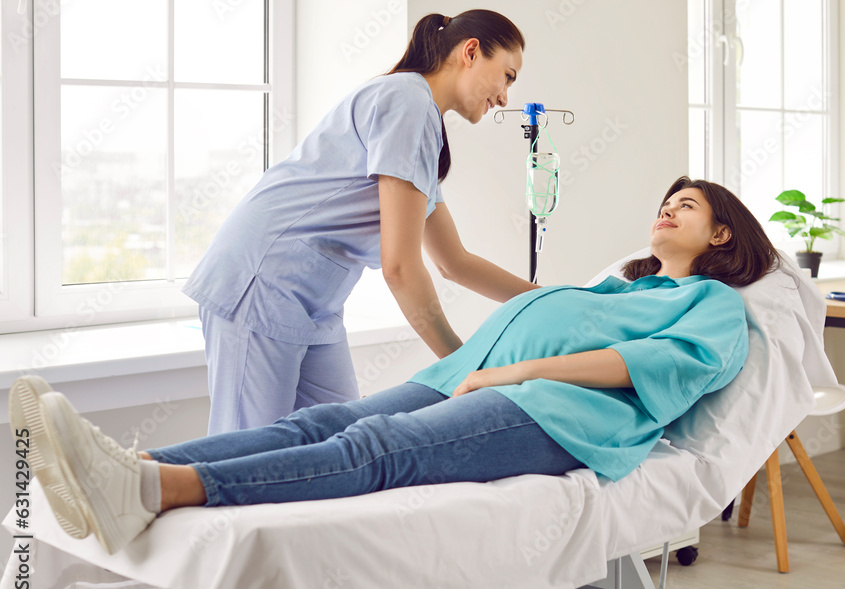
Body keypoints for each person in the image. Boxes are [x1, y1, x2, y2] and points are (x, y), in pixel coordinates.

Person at [13, 177, 781, 555]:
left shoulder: (714, 306)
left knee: (371, 452)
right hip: (463, 380)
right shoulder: (621, 282)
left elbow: (651, 369)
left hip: (554, 417)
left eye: (688, 204)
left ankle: (158, 488)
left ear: (722, 235)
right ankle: (127, 463)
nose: (668, 207)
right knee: (318, 421)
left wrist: (505, 376)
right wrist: (474, 367)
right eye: (668, 199)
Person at [182, 10, 539, 435]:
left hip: (315, 305)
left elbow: (454, 262)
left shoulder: (421, 122)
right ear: (471, 51)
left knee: (338, 447)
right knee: (245, 456)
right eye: (508, 76)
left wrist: (552, 297)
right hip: (261, 283)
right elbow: (401, 269)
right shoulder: (408, 104)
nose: (504, 98)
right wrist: (462, 368)